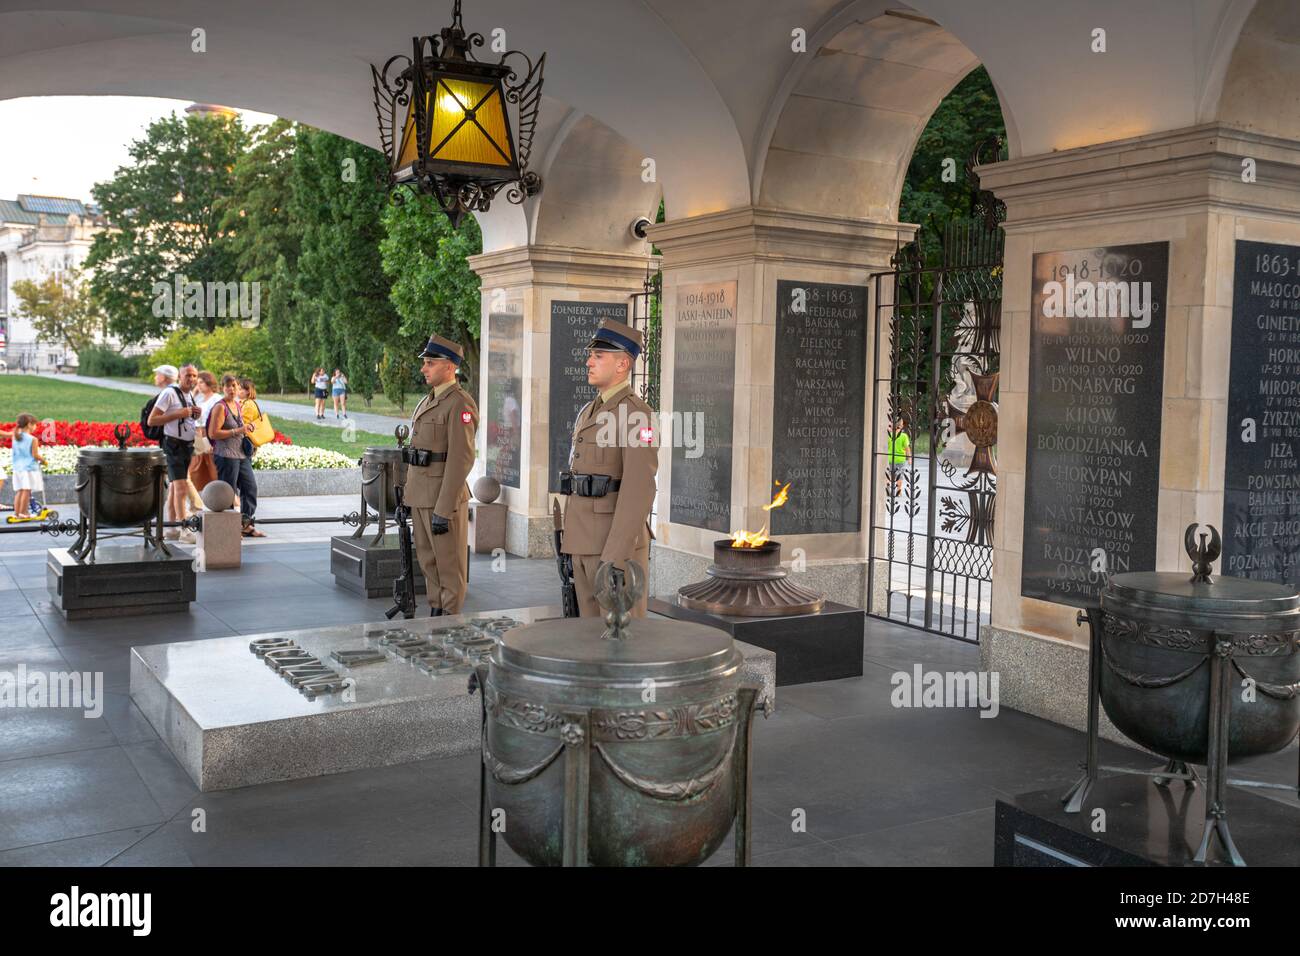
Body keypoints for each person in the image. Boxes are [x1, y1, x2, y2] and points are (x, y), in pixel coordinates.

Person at [558, 318, 657, 618]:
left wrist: (615, 557)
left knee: (620, 643)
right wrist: (569, 547)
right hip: (583, 543)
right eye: (590, 355)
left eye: (597, 356)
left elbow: (638, 491)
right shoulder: (589, 411)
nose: (588, 362)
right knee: (588, 642)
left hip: (613, 548)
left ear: (622, 364)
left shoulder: (635, 414)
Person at [404, 333, 478, 615]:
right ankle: (436, 613)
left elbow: (461, 459)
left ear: (450, 367)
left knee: (449, 566)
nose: (424, 368)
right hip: (421, 496)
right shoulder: (427, 401)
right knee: (428, 562)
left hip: (442, 500)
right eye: (425, 362)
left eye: (430, 363)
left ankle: (449, 622)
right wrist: (406, 497)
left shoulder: (459, 403)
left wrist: (444, 508)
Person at [147, 363, 201, 543]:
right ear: (180, 376)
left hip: (186, 446)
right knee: (181, 488)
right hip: (174, 447)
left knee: (175, 489)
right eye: (188, 375)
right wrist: (179, 414)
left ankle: (170, 529)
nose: (192, 379)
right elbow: (152, 420)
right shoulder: (169, 393)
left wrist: (194, 414)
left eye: (194, 375)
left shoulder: (189, 395)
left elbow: (185, 418)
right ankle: (184, 528)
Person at [209, 374, 265, 538]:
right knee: (228, 492)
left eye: (235, 386)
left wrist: (249, 428)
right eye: (228, 386)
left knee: (250, 488)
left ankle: (245, 525)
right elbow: (213, 433)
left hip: (241, 454)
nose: (232, 389)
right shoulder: (220, 407)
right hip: (226, 455)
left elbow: (241, 427)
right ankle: (229, 529)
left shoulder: (237, 405)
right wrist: (237, 431)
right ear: (222, 388)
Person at [186, 370, 221, 508]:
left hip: (207, 435)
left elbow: (217, 420)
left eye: (201, 382)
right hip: (197, 435)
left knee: (211, 466)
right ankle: (196, 502)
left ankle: (226, 497)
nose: (198, 385)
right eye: (197, 383)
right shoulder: (199, 398)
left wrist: (211, 440)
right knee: (195, 467)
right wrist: (193, 394)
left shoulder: (216, 398)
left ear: (208, 382)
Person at [6, 414, 48, 522]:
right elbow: (35, 455)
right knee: (27, 491)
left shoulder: (15, 436)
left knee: (20, 491)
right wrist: (43, 460)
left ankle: (17, 513)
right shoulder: (33, 439)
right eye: (35, 425)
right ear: (29, 424)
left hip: (17, 468)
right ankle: (24, 513)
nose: (36, 427)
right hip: (28, 469)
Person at [888, 413, 911, 494]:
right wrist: (909, 458)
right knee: (899, 476)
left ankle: (888, 488)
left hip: (890, 458)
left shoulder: (889, 435)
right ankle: (898, 490)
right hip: (900, 459)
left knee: (890, 474)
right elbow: (907, 448)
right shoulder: (904, 436)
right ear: (901, 426)